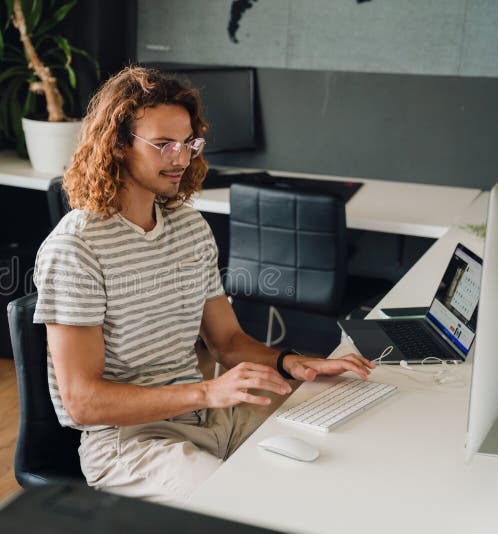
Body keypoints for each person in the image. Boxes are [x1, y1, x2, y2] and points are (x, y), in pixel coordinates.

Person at [32, 66, 374, 505]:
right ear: (117, 144)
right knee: (243, 506)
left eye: (189, 143)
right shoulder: (75, 248)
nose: (180, 158)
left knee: (337, 449)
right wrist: (208, 391)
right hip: (131, 443)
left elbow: (228, 341)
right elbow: (82, 402)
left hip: (209, 417)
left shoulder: (189, 227)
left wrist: (295, 362)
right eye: (163, 145)